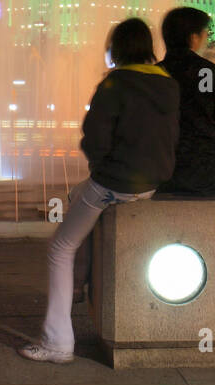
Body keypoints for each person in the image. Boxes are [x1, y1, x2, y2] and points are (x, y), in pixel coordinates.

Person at [19, 18, 179, 363]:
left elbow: (94, 138)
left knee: (60, 247)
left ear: (117, 48)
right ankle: (83, 277)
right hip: (150, 184)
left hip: (115, 183)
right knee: (79, 196)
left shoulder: (116, 83)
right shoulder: (168, 84)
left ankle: (57, 342)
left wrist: (100, 170)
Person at [155, 6, 215, 207]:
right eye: (206, 34)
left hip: (158, 173)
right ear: (193, 38)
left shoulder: (150, 76)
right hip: (206, 171)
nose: (207, 39)